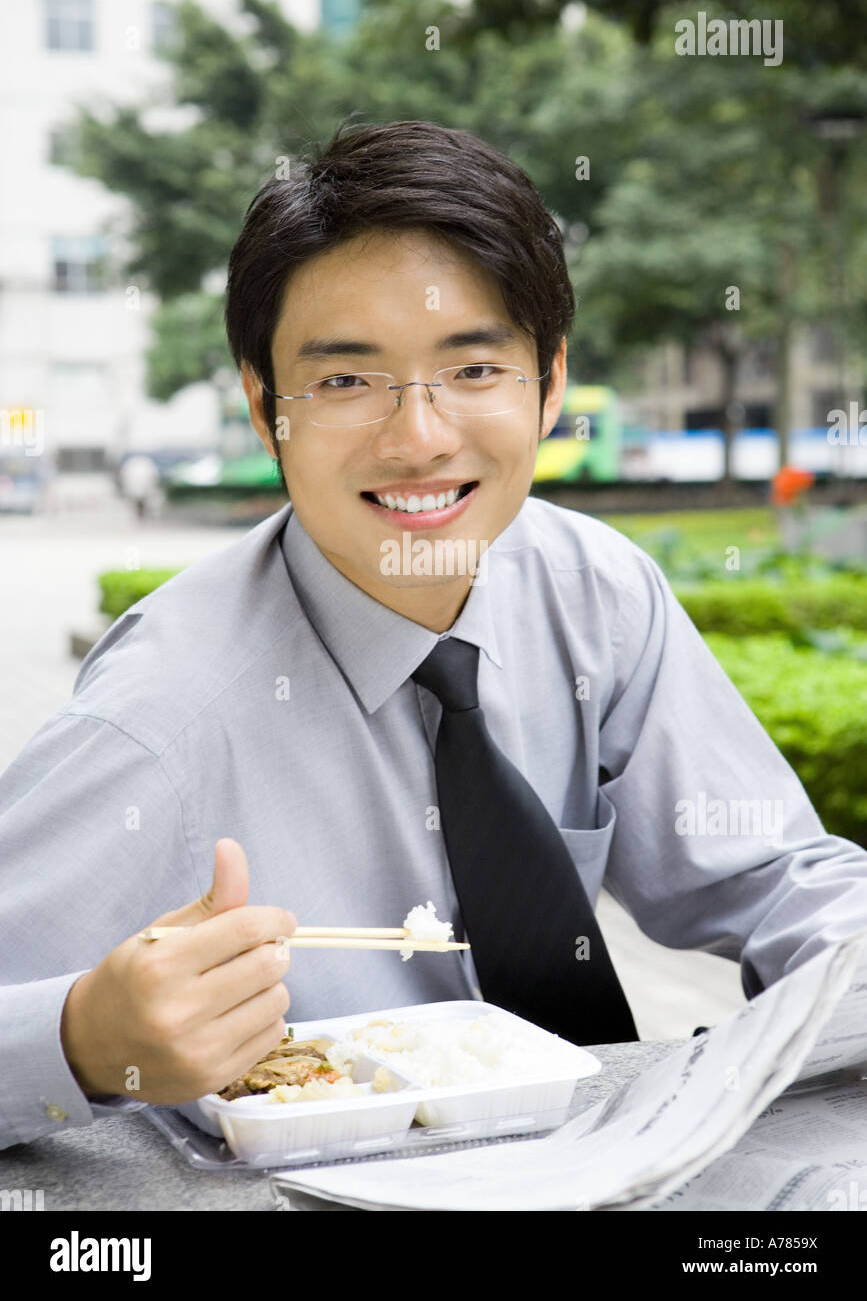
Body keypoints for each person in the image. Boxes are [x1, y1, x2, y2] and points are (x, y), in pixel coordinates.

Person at [1, 119, 866, 1150]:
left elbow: (771, 875)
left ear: (548, 386)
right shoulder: (161, 718)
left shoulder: (594, 594)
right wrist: (84, 1037)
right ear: (262, 403)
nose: (418, 439)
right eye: (346, 380)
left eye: (472, 369)